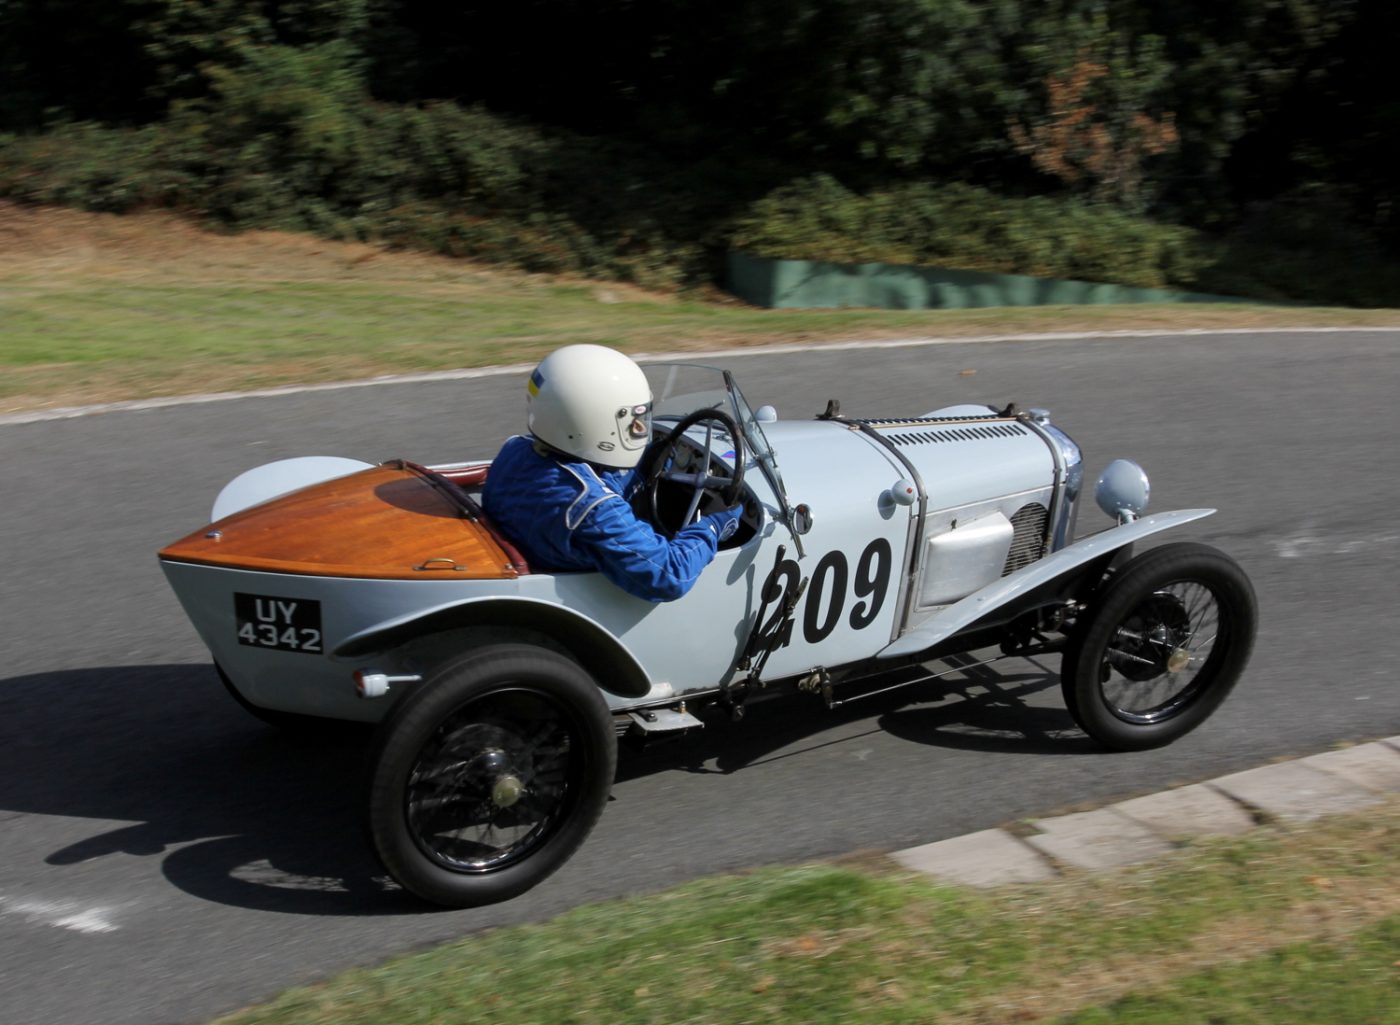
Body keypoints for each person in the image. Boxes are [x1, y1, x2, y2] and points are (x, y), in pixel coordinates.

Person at [482, 344, 742, 602]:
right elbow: (670, 576)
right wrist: (713, 524)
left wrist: (642, 470)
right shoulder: (592, 508)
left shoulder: (516, 450)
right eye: (634, 419)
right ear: (595, 422)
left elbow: (577, 482)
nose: (641, 427)